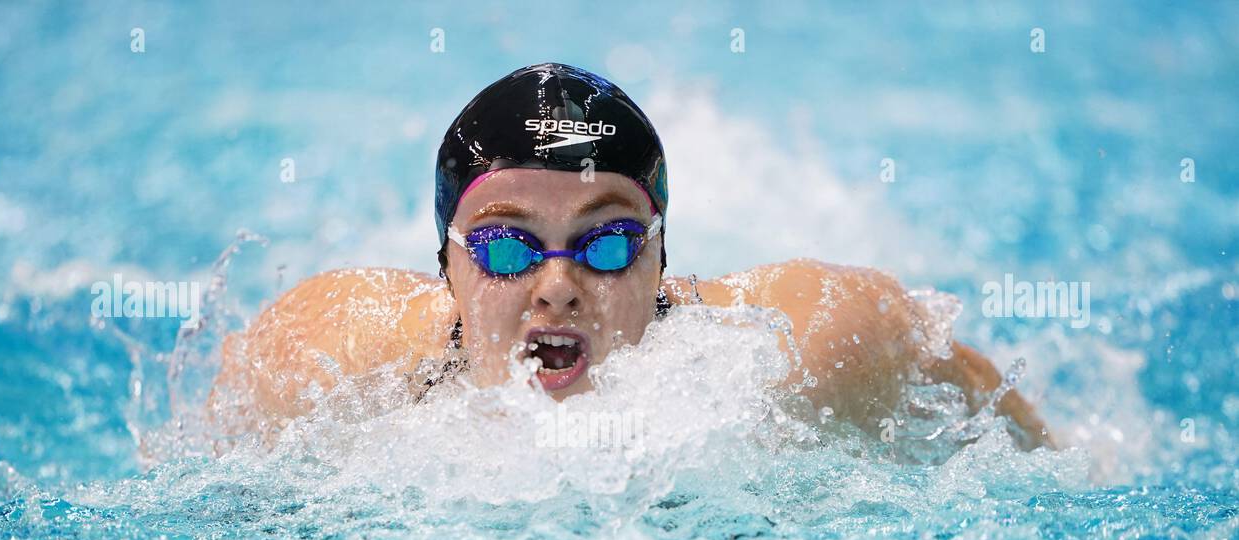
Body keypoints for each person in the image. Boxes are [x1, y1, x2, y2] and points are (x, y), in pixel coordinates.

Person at [210, 63, 1052, 450]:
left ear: (659, 262)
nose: (559, 287)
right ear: (449, 267)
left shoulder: (804, 346)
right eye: (507, 247)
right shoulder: (327, 359)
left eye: (607, 243)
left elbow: (977, 390)